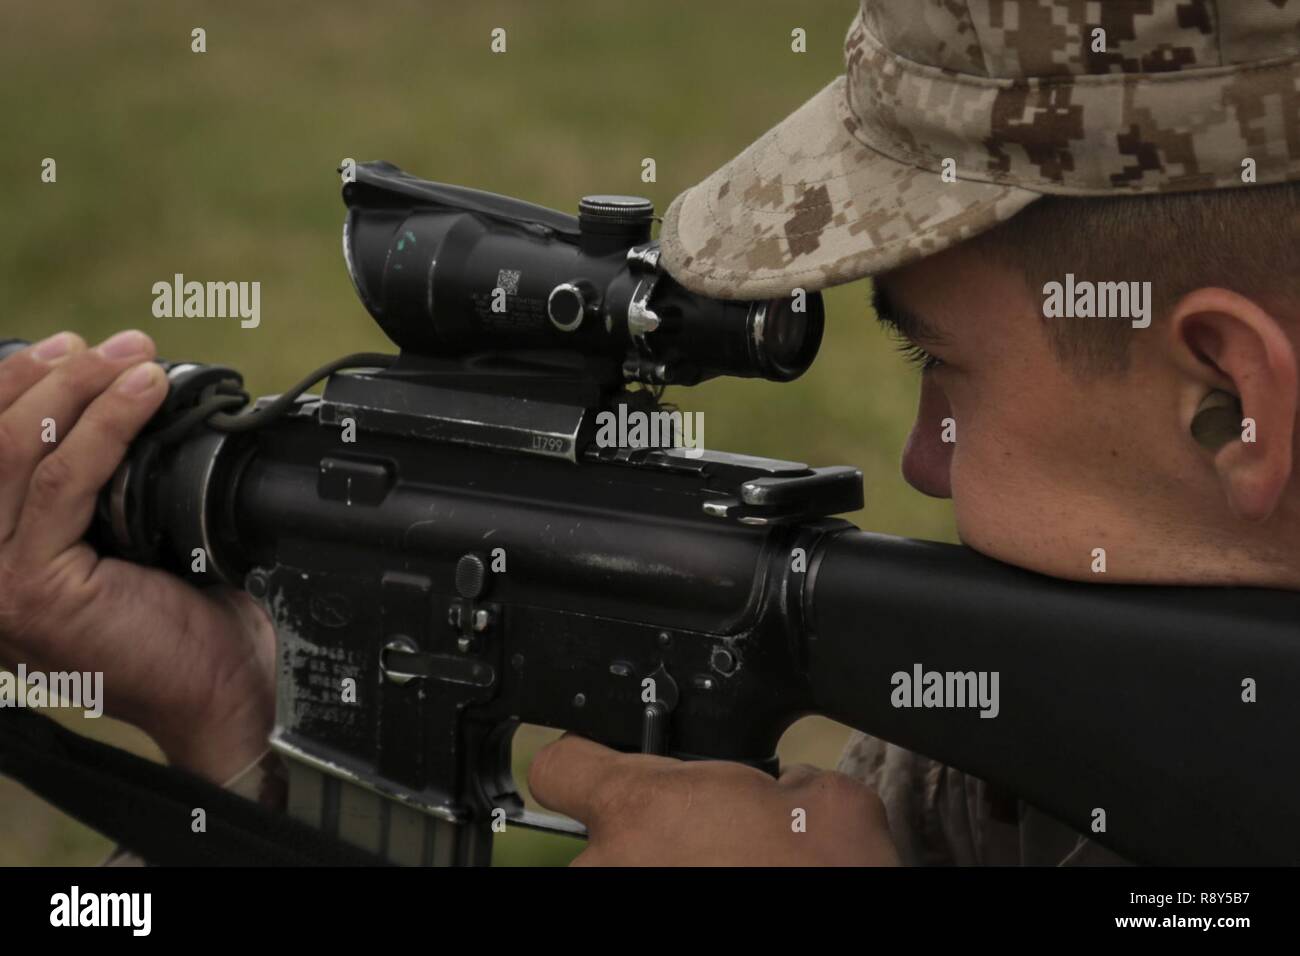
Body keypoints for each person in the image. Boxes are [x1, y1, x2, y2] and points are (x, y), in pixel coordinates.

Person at [3, 0, 1299, 865]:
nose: (920, 459)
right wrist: (249, 730)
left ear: (1232, 401)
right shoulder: (1014, 778)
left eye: (940, 365)